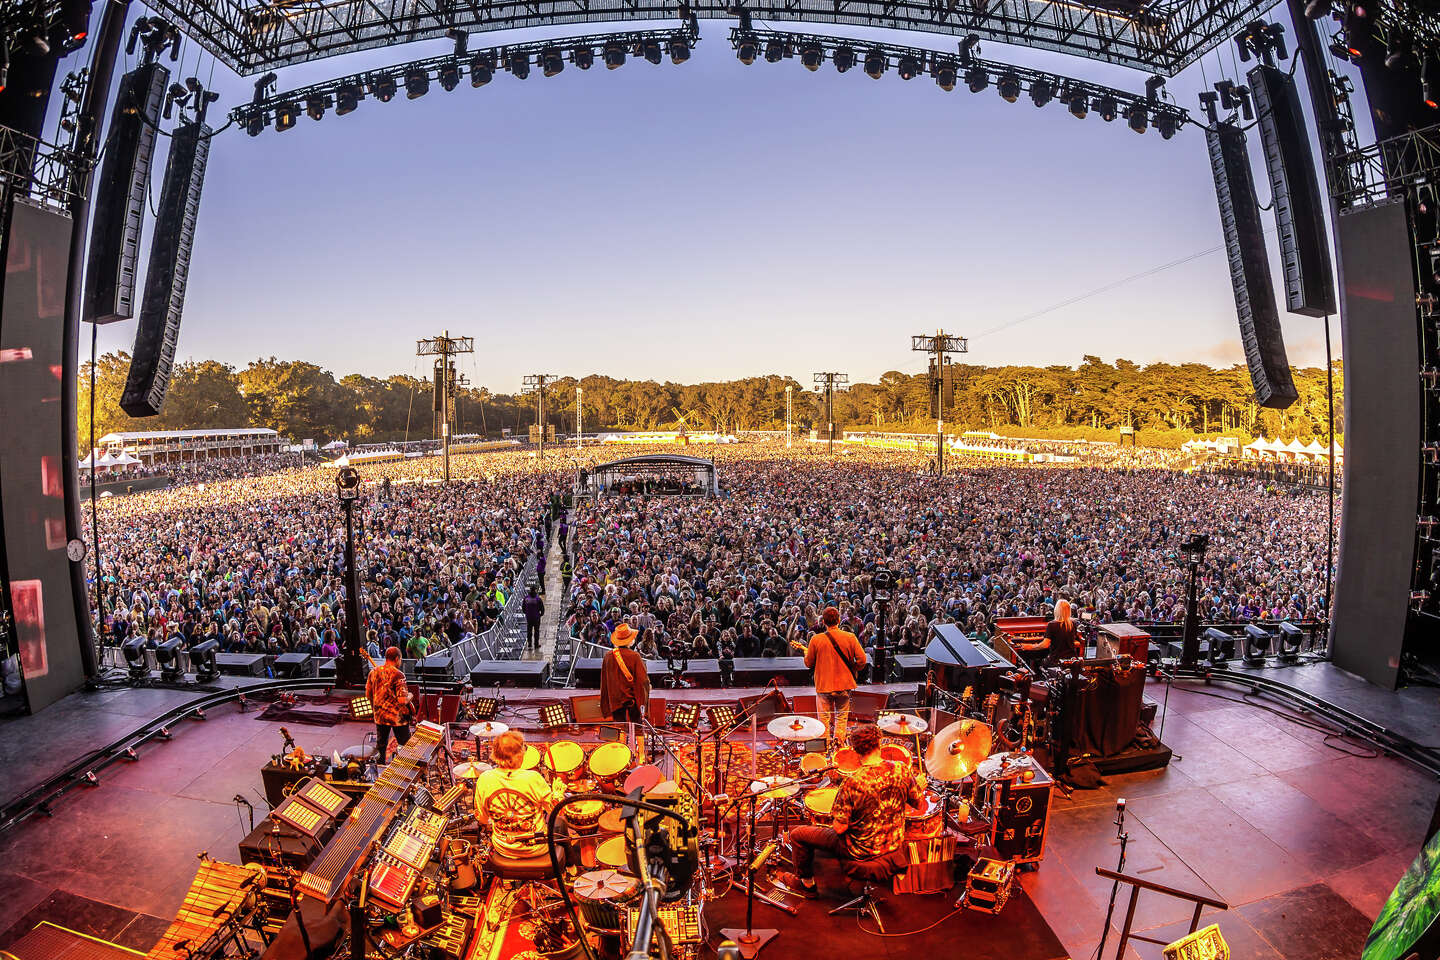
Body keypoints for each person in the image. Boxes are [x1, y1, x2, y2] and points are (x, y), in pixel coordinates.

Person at [785, 724, 921, 896]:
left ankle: (806, 884)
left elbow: (839, 828)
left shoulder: (853, 783)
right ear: (879, 743)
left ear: (855, 750)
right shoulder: (901, 769)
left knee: (798, 834)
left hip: (860, 850)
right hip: (892, 844)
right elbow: (919, 804)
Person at [473, 730, 561, 857]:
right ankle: (567, 868)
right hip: (535, 848)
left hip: (503, 847)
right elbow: (555, 811)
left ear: (495, 754)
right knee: (560, 824)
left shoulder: (484, 778)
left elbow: (482, 818)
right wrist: (557, 794)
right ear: (518, 755)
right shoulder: (533, 778)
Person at [805, 606, 866, 747]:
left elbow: (808, 663)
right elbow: (862, 660)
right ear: (839, 620)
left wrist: (806, 654)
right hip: (844, 685)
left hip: (824, 686)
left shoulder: (816, 639)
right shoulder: (850, 637)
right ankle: (839, 748)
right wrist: (853, 668)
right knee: (841, 718)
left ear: (823, 622)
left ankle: (825, 750)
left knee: (823, 720)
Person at [364, 646, 412, 762]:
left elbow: (368, 695)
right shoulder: (398, 675)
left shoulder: (373, 672)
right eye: (400, 659)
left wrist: (375, 708)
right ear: (396, 658)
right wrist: (411, 695)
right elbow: (402, 700)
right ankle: (406, 768)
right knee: (405, 745)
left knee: (381, 746)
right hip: (397, 718)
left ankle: (379, 769)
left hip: (380, 716)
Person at [600, 623, 650, 723]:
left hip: (615, 698)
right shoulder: (635, 656)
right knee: (636, 728)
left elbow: (604, 680)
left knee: (619, 729)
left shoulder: (608, 656)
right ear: (630, 640)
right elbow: (642, 680)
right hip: (632, 699)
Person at [1017, 598, 1082, 667]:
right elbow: (1073, 641)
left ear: (1057, 610)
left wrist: (1030, 646)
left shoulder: (1052, 625)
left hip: (1056, 659)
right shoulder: (1072, 623)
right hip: (1072, 658)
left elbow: (1045, 645)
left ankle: (1037, 676)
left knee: (1036, 662)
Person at [522, 586, 545, 650]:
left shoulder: (526, 598)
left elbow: (523, 608)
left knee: (529, 630)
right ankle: (536, 644)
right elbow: (542, 608)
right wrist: (541, 614)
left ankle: (529, 643)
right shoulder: (538, 599)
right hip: (536, 617)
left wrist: (527, 613)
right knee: (536, 631)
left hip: (529, 617)